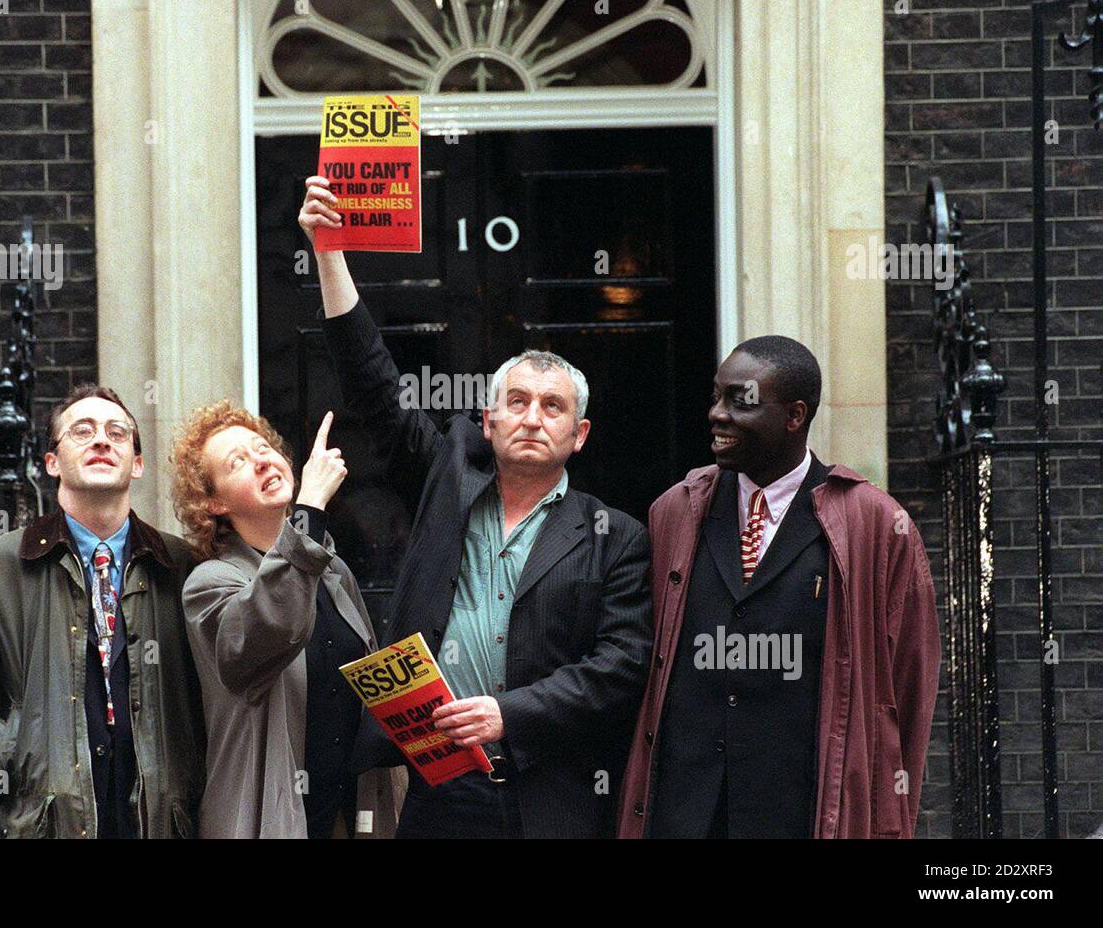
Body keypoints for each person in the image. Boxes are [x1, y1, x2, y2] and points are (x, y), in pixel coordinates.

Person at [299, 175, 653, 839]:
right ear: (488, 420)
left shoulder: (616, 537)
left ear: (578, 435)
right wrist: (328, 251)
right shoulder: (445, 483)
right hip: (441, 791)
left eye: (553, 407)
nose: (531, 417)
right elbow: (374, 381)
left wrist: (509, 713)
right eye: (516, 402)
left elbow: (620, 666)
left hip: (554, 797)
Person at [617, 336, 941, 838]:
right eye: (716, 397)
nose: (717, 415)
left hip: (804, 811)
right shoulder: (675, 510)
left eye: (739, 401)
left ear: (794, 415)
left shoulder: (875, 523)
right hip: (684, 811)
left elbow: (908, 687)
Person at [0, 384, 205, 838]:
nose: (101, 441)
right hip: (49, 823)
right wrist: (18, 768)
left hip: (161, 822)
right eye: (82, 431)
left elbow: (209, 694)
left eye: (118, 433)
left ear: (137, 464)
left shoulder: (180, 566)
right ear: (52, 462)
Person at [172, 400, 402, 838]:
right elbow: (268, 631)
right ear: (213, 502)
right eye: (237, 461)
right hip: (271, 821)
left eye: (262, 448)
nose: (260, 460)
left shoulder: (333, 569)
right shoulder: (211, 584)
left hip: (349, 816)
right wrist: (310, 506)